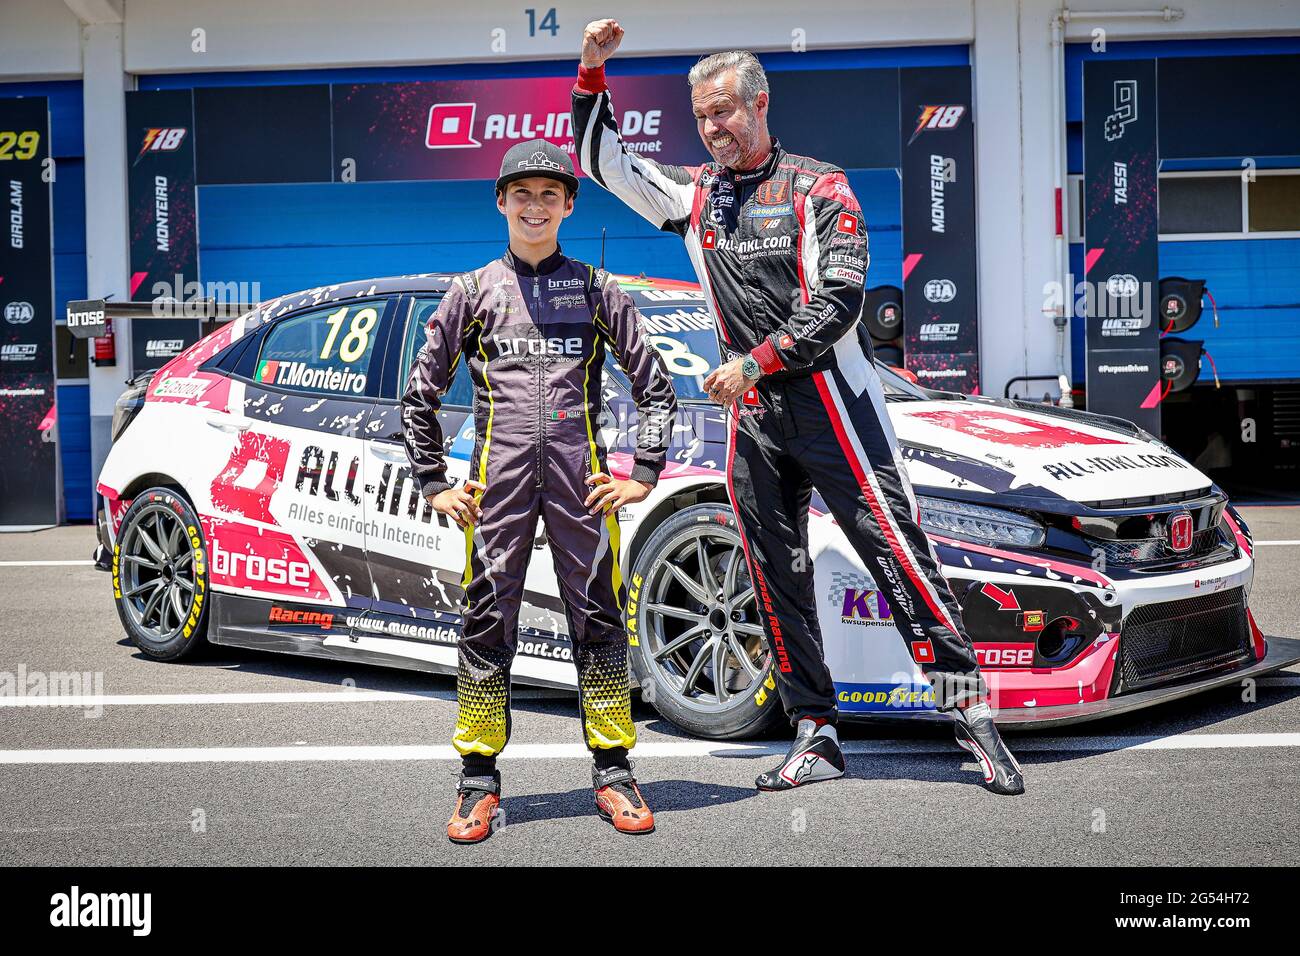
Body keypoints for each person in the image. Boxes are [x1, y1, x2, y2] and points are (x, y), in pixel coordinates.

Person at [572, 20, 1024, 795]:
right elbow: (601, 161)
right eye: (703, 117)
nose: (714, 128)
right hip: (756, 421)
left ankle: (973, 717)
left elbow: (842, 301)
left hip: (834, 404)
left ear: (760, 103)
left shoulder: (821, 185)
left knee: (899, 561)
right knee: (776, 576)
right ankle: (814, 731)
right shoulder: (698, 195)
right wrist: (590, 72)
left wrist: (753, 361)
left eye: (726, 112)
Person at [401, 139, 680, 842]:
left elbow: (655, 387)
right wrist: (434, 482)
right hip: (495, 489)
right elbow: (419, 396)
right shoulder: (471, 291)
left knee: (600, 623)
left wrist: (643, 473)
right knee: (486, 625)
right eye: (521, 194)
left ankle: (614, 770)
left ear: (569, 206)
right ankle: (477, 781)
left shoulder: (594, 288)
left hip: (581, 488)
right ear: (500, 201)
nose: (534, 206)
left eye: (549, 195)